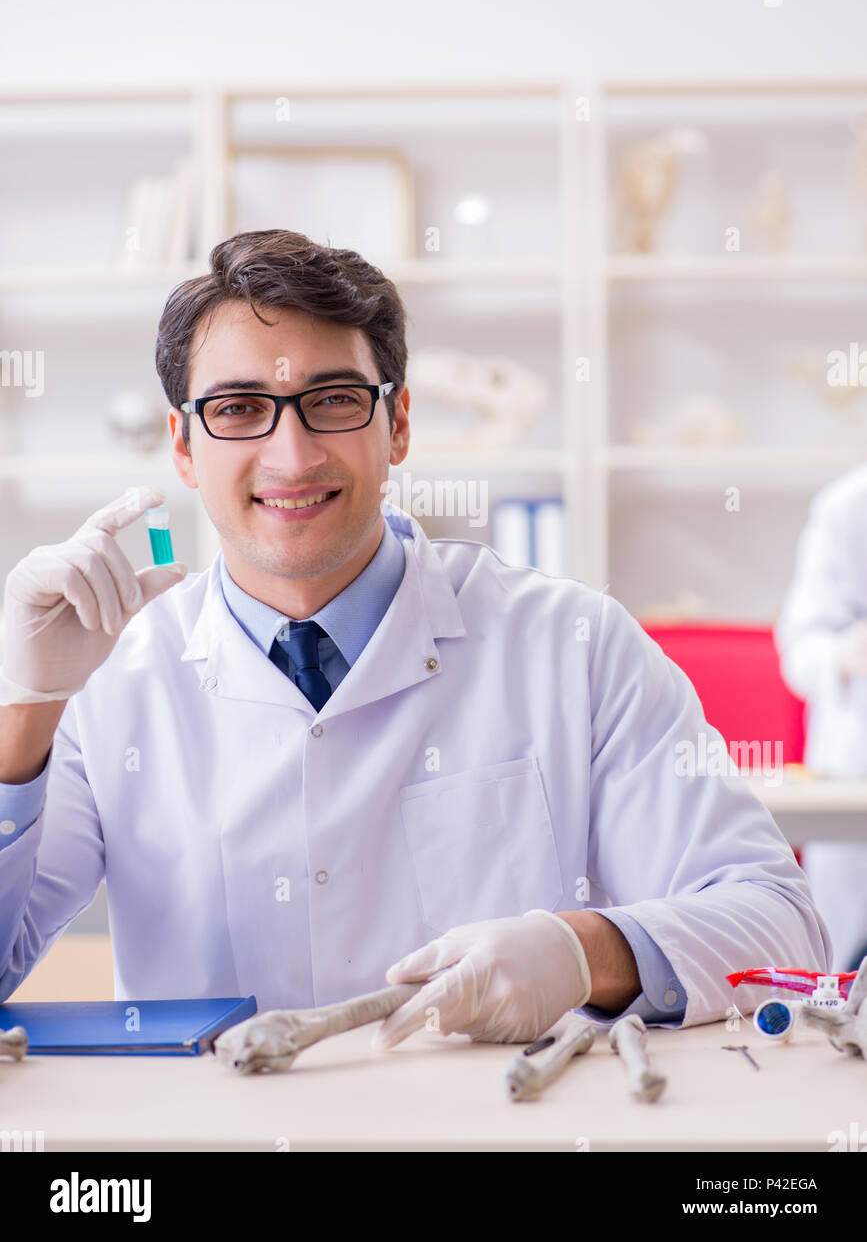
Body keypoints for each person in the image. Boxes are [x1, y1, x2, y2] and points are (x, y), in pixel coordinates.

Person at [0, 229, 830, 1046]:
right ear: (183, 445)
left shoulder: (573, 645)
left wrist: (585, 951)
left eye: (331, 401)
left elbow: (783, 928)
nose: (290, 457)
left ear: (396, 424)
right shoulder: (109, 676)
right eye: (239, 409)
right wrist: (21, 719)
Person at [775, 463, 867, 973]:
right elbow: (801, 654)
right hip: (855, 772)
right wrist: (851, 650)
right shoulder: (848, 508)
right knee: (844, 978)